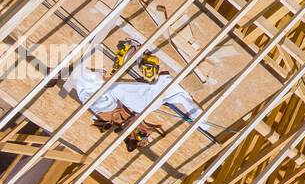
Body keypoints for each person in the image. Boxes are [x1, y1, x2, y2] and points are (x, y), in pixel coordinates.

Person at [64, 62, 215, 149]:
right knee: (149, 104)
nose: (148, 132)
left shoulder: (108, 109)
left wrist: (104, 79)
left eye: (143, 135)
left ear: (132, 133)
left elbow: (108, 89)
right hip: (96, 86)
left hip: (93, 84)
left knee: (147, 103)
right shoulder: (130, 112)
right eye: (147, 136)